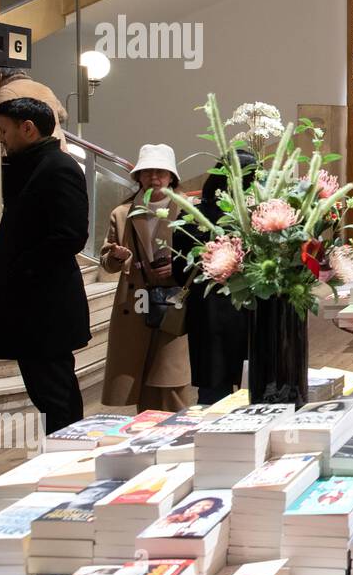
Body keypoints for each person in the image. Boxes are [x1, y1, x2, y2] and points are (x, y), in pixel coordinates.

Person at [0, 98, 90, 433]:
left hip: (46, 307)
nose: (0, 138)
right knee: (48, 393)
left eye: (3, 130)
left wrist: (20, 267)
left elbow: (70, 235)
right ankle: (62, 455)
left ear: (28, 128)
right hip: (33, 307)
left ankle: (67, 459)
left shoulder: (58, 168)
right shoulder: (34, 166)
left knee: (56, 395)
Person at [99, 144, 192, 412]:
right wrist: (117, 255)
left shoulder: (188, 210)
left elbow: (202, 258)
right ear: (137, 176)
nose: (154, 178)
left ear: (172, 176)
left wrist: (177, 268)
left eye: (160, 172)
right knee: (137, 376)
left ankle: (176, 436)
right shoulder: (122, 213)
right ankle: (146, 434)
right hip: (135, 302)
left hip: (174, 301)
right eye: (147, 171)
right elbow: (107, 263)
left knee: (171, 379)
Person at [175, 150, 254, 405]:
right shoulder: (254, 221)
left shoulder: (191, 218)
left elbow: (180, 272)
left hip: (208, 319)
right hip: (248, 317)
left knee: (213, 398)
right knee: (253, 394)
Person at [0, 68, 68, 147]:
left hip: (32, 149)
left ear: (0, 76)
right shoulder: (44, 88)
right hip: (57, 144)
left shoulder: (7, 91)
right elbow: (62, 115)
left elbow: (3, 123)